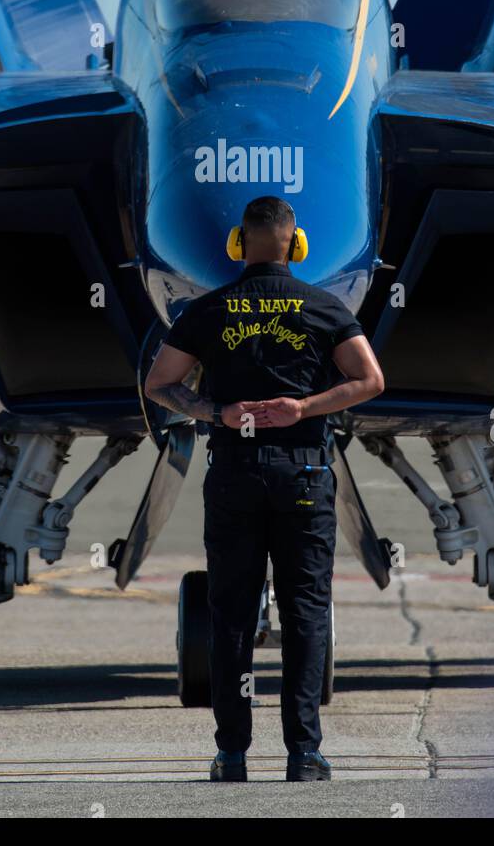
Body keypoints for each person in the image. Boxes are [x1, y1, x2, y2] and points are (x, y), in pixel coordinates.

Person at [144, 196, 384, 782]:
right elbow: (370, 380)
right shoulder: (323, 308)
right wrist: (304, 406)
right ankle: (304, 755)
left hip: (233, 475)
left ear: (238, 244)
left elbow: (160, 385)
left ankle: (231, 756)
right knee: (305, 614)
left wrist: (216, 412)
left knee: (230, 616)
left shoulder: (207, 311)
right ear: (296, 244)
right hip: (304, 473)